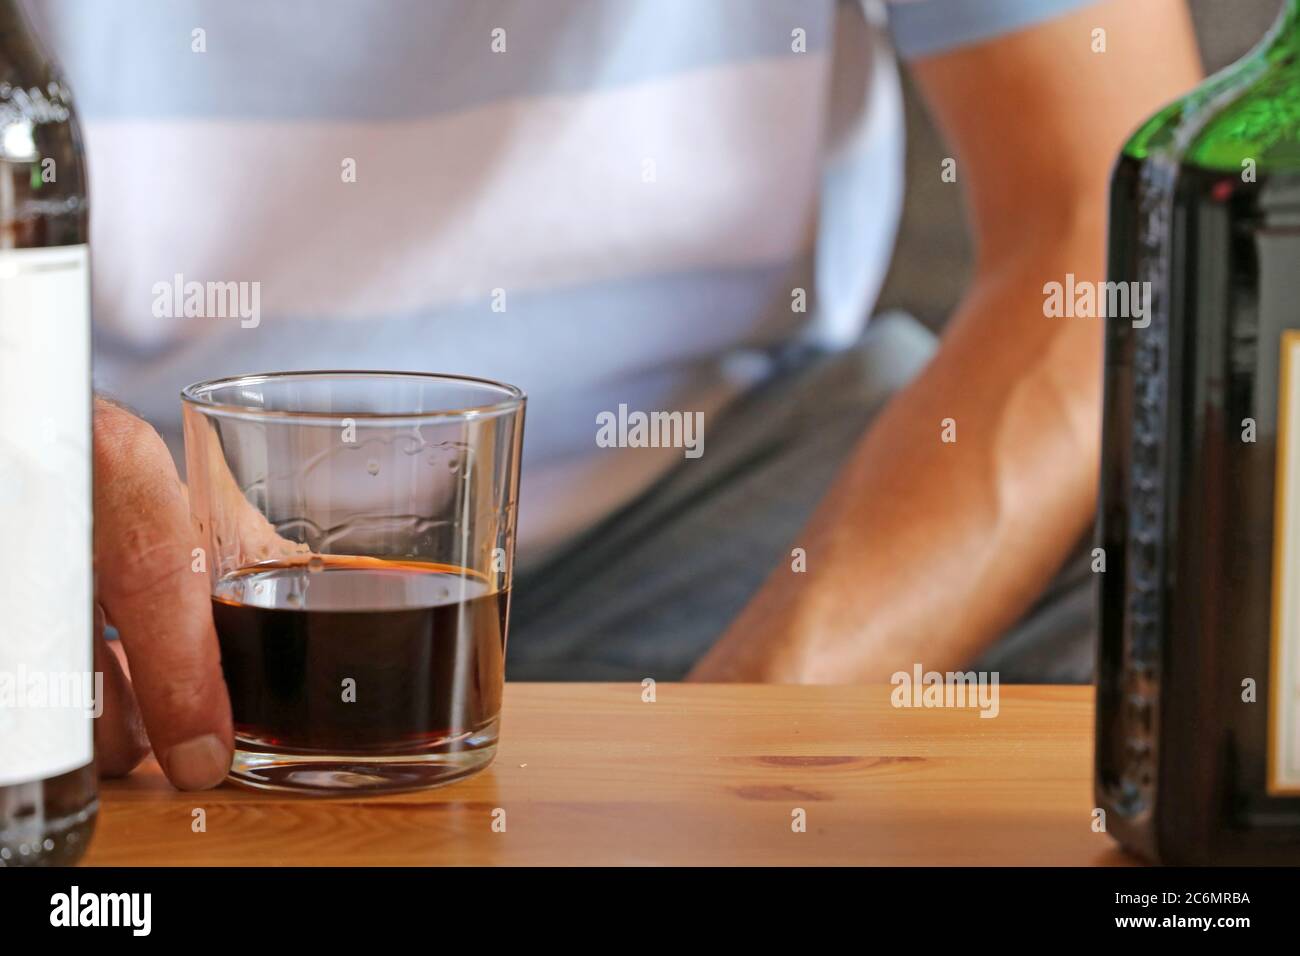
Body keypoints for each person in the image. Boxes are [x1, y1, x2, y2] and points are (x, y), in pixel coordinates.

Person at [23, 0, 1202, 788]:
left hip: (729, 525)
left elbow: (1101, 231)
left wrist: (740, 740)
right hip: (135, 567)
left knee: (1182, 543)